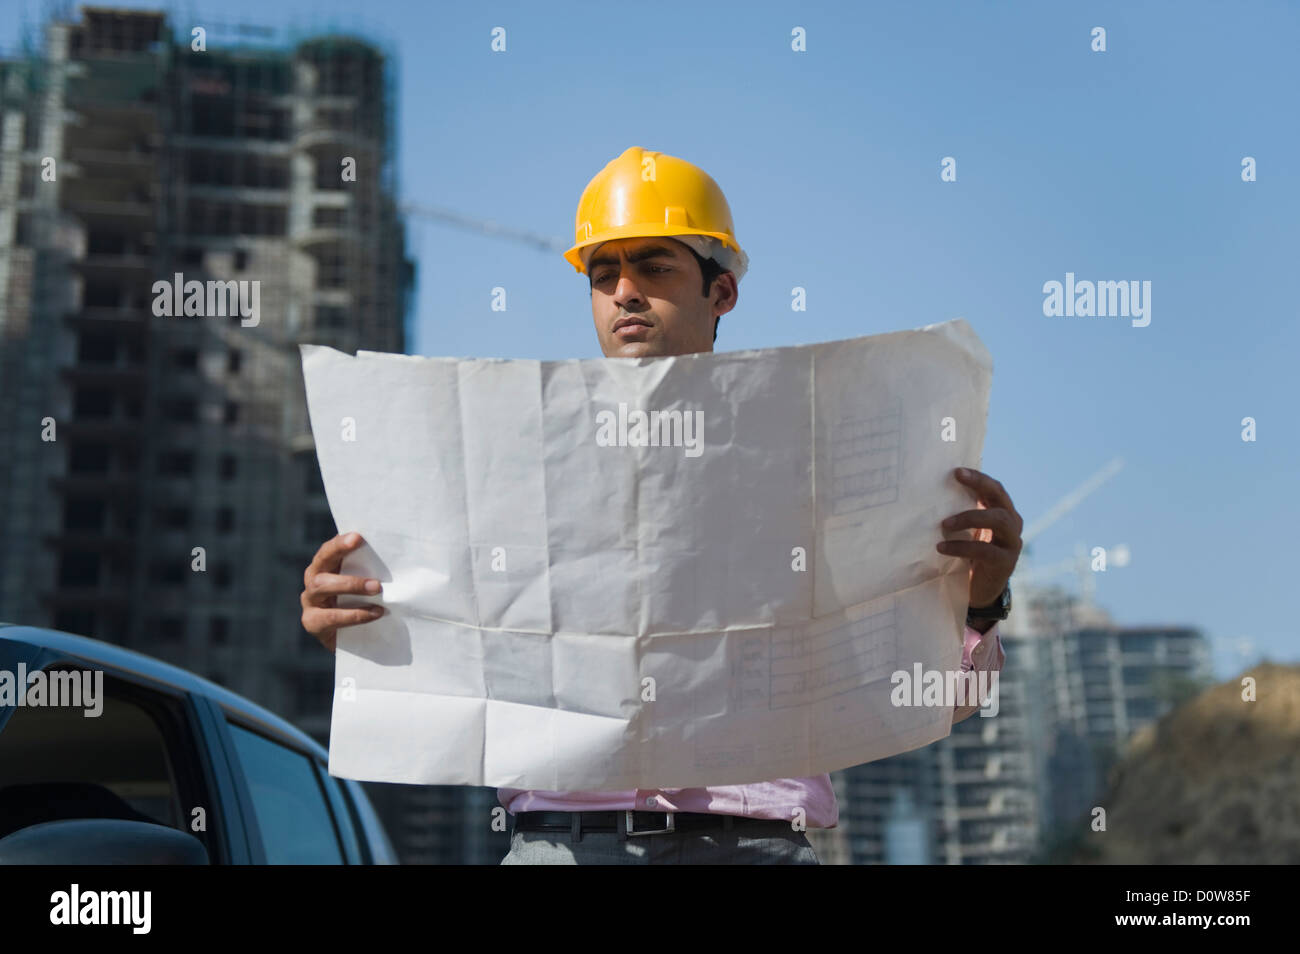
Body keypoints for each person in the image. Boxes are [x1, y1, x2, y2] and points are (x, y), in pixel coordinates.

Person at [300, 146, 1022, 865]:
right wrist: (366, 634)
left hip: (751, 848)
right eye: (603, 273)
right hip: (561, 846)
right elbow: (463, 668)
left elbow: (939, 698)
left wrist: (982, 606)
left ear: (722, 293)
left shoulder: (817, 461)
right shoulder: (503, 471)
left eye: (654, 265)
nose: (624, 291)